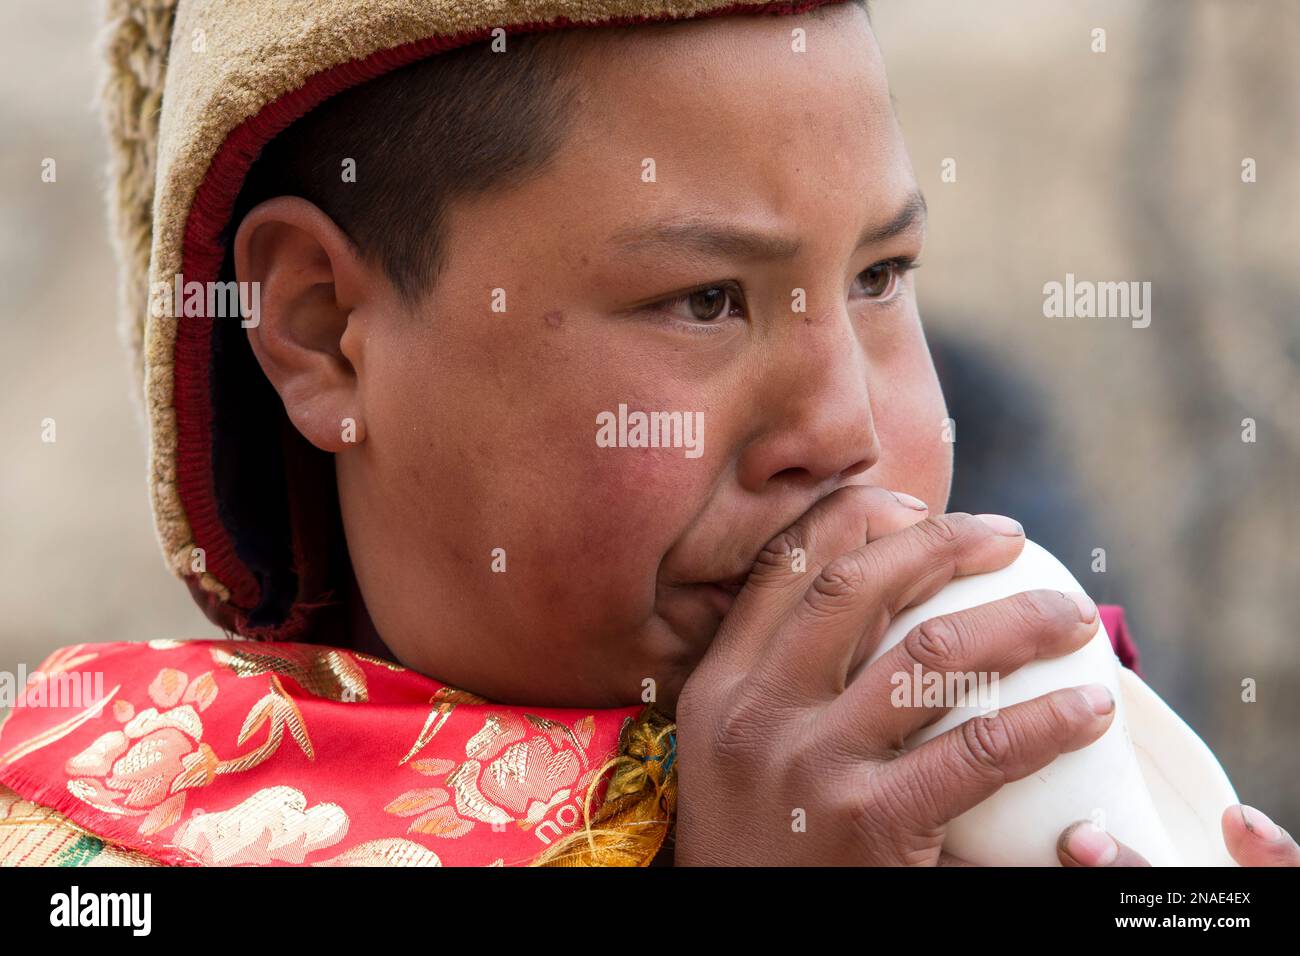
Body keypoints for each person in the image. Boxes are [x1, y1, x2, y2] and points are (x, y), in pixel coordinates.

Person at [0, 0, 1293, 867]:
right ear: (328, 328)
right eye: (706, 300)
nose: (844, 430)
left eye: (881, 277)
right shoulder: (97, 839)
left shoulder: (1045, 772)